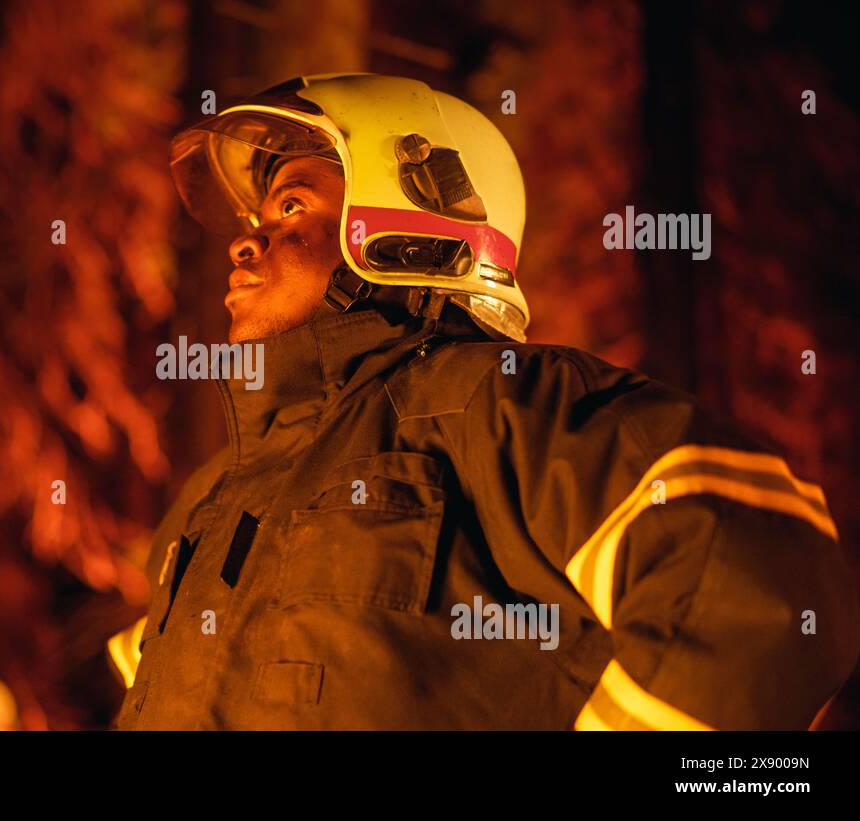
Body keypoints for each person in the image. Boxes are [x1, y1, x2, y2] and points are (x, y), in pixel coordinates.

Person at [106, 73, 859, 729]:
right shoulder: (211, 497)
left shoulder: (492, 406)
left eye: (291, 208)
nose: (246, 243)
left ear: (409, 230)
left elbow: (758, 568)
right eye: (254, 220)